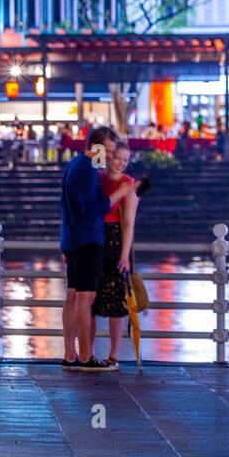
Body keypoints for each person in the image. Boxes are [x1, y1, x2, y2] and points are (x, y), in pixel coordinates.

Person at [60, 125, 145, 371]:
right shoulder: (88, 171)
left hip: (72, 239)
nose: (109, 157)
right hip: (88, 241)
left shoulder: (74, 166)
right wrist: (119, 193)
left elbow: (66, 207)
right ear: (95, 147)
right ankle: (86, 357)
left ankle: (70, 354)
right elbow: (93, 210)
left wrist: (64, 242)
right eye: (107, 152)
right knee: (85, 298)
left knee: (73, 295)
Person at [92, 141, 139, 367]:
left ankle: (114, 355)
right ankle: (87, 352)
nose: (121, 163)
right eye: (118, 158)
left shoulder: (128, 185)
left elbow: (129, 224)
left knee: (116, 302)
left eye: (125, 160)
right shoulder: (97, 179)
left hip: (115, 239)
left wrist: (124, 255)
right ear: (109, 157)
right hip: (94, 236)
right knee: (89, 297)